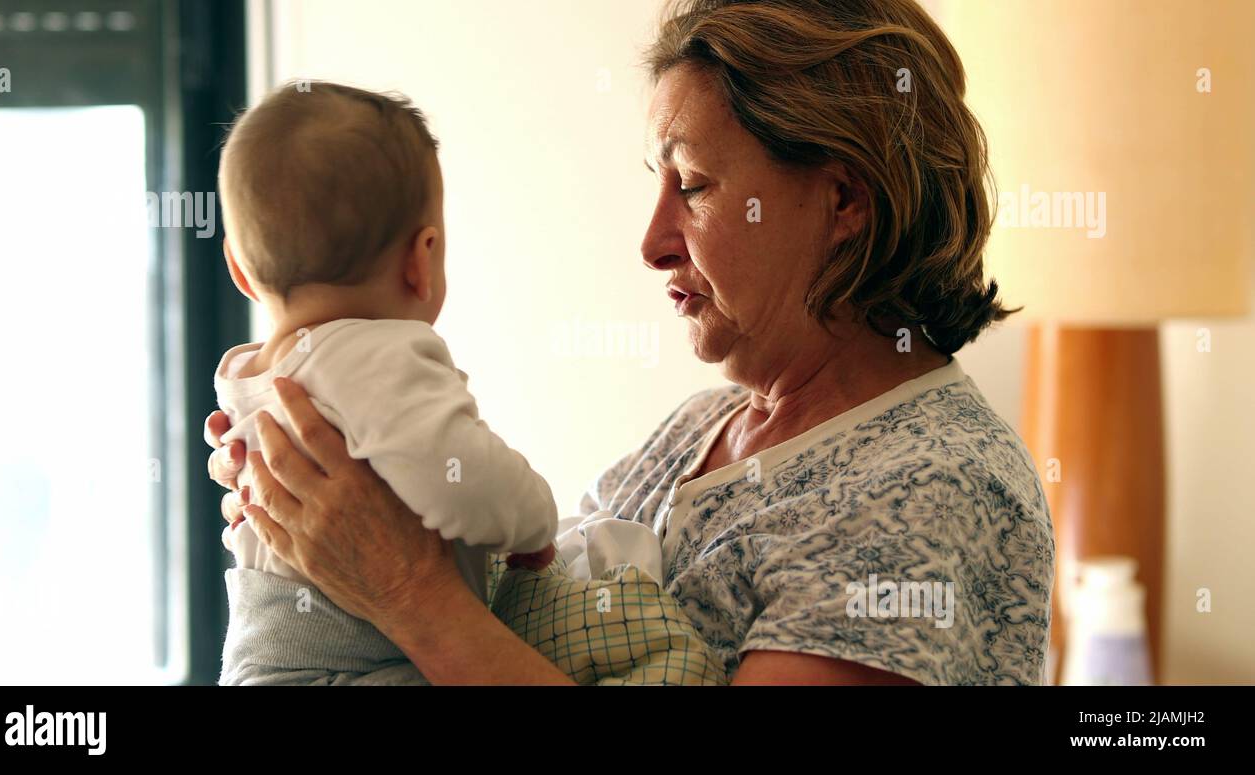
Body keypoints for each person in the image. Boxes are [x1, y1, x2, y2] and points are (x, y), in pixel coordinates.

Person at [208, 0, 1054, 685]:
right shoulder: (695, 431)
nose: (651, 241)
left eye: (692, 185)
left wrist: (400, 587)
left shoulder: (930, 487)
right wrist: (310, 489)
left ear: (843, 201)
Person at [212, 81, 558, 685]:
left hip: (260, 651)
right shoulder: (378, 356)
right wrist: (532, 519)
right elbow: (461, 478)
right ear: (420, 258)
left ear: (240, 271)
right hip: (347, 658)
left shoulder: (248, 375)